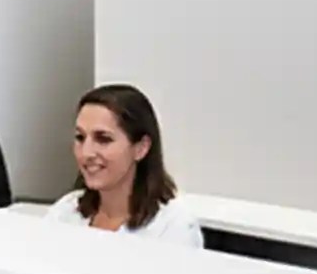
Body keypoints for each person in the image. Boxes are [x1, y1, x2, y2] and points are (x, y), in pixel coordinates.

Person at [45, 84, 202, 248]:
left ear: (141, 148)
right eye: (80, 137)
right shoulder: (65, 211)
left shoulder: (173, 228)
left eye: (103, 139)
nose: (86, 153)